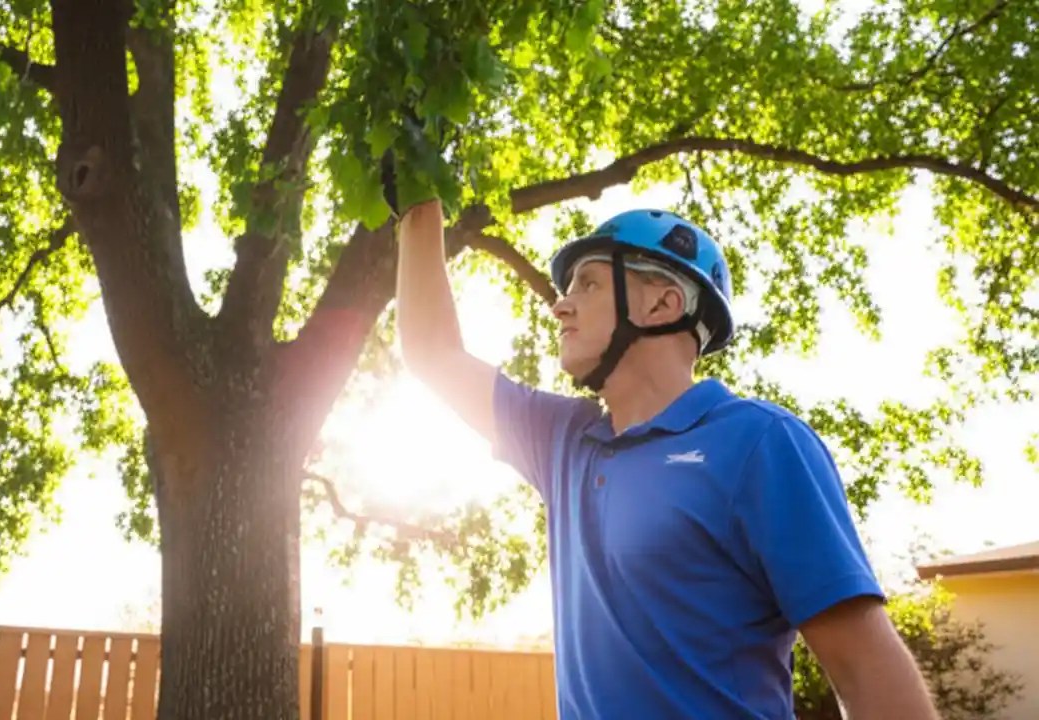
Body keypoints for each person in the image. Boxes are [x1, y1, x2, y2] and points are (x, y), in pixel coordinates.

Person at [394, 197, 939, 719]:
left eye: (588, 283)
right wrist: (421, 206)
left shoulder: (759, 443)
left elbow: (864, 668)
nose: (560, 304)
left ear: (662, 304)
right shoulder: (562, 441)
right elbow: (432, 353)